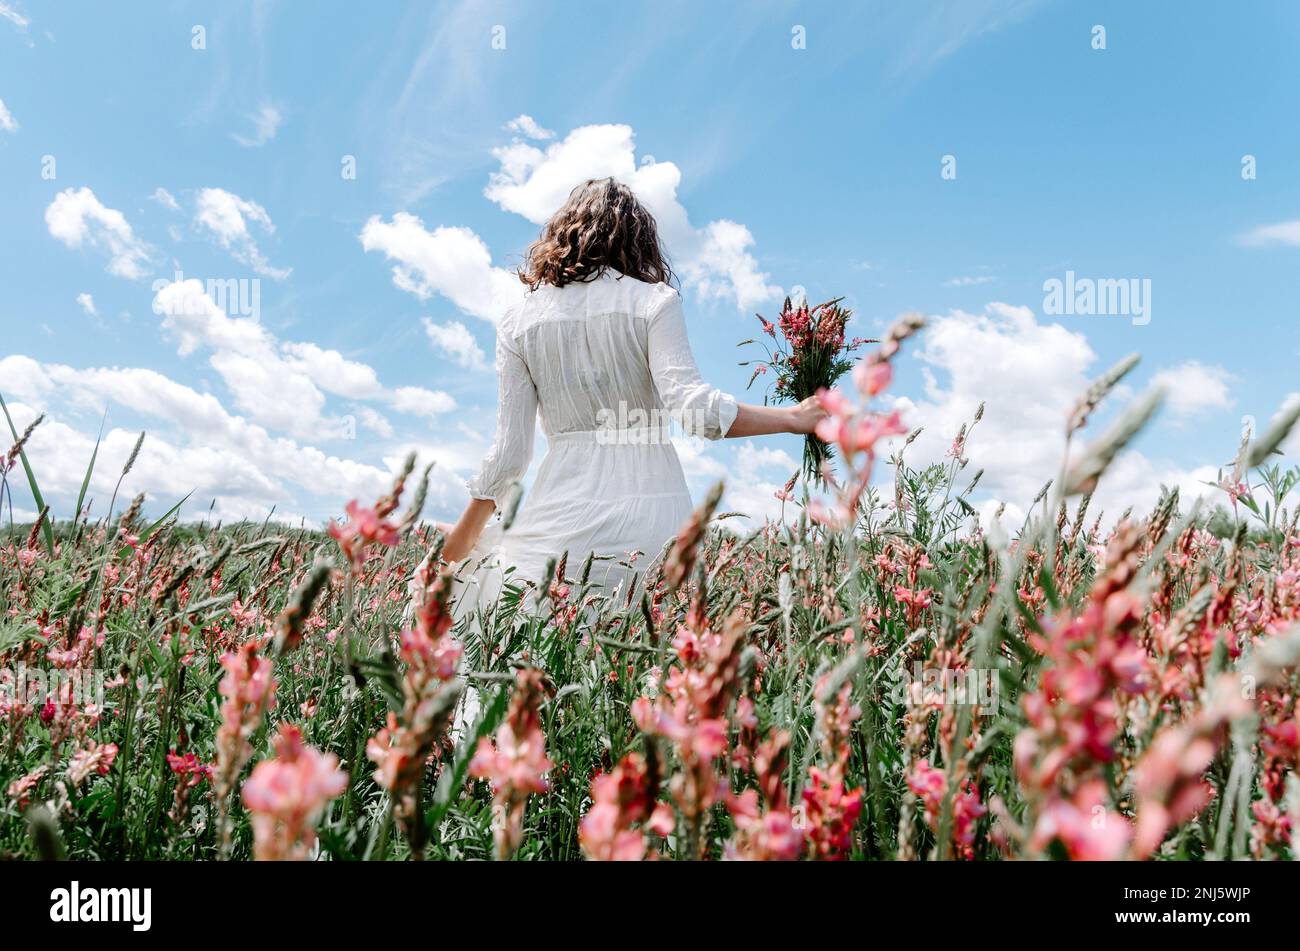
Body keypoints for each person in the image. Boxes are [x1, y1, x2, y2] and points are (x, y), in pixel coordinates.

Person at [439, 177, 824, 600]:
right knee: (647, 659)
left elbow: (511, 455)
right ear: (639, 240)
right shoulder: (654, 301)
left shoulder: (518, 323)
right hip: (651, 523)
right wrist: (794, 420)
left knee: (539, 656)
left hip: (556, 522)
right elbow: (695, 410)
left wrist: (459, 545)